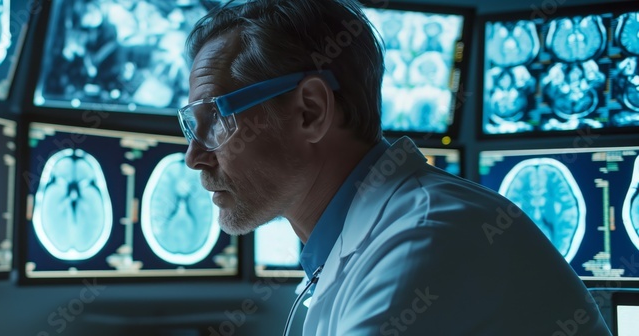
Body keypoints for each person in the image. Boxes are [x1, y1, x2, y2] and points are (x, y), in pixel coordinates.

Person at [177, 0, 612, 335]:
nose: (194, 156)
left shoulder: (424, 239)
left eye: (216, 121)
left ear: (309, 110)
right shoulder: (361, 242)